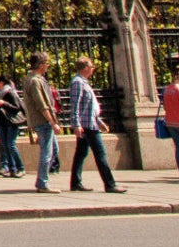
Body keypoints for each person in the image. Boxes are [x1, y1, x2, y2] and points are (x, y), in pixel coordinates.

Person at [67, 56, 125, 194]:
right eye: (92, 67)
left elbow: (88, 107)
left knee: (81, 153)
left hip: (91, 123)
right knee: (100, 154)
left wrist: (99, 122)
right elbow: (75, 106)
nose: (93, 69)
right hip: (86, 125)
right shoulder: (77, 83)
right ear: (86, 68)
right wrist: (76, 124)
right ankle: (110, 184)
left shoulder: (83, 82)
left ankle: (75, 182)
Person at [22, 51, 60, 193]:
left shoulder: (34, 79)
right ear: (41, 65)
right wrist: (52, 122)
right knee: (47, 152)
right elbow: (41, 104)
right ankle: (42, 183)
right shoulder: (34, 81)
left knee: (53, 150)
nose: (48, 66)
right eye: (47, 63)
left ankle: (42, 180)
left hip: (43, 121)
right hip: (43, 121)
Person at [0, 74, 27, 177]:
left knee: (11, 145)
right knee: (4, 145)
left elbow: (17, 107)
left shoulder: (10, 92)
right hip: (1, 121)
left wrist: (4, 103)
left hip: (11, 122)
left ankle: (20, 167)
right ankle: (12, 169)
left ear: (2, 83)